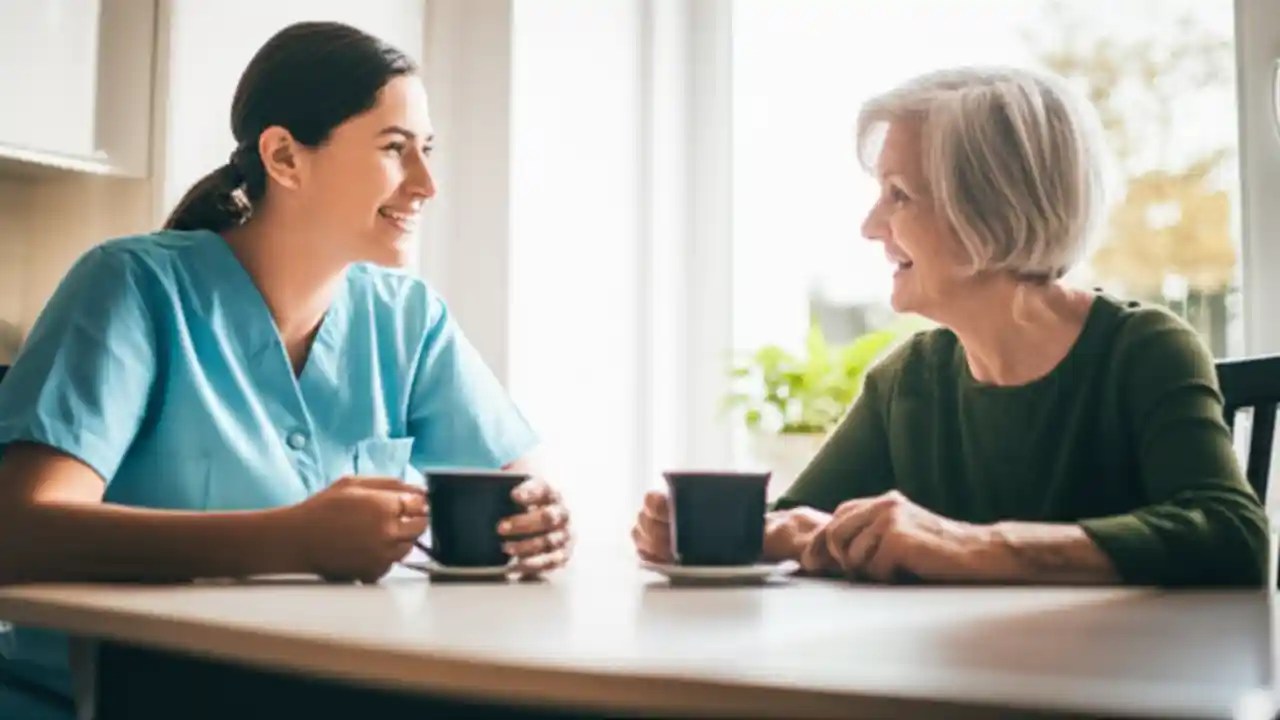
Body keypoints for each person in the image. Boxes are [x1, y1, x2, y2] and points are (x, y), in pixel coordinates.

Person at [0, 22, 571, 718]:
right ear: (285, 157)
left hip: (316, 691)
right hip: (100, 697)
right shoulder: (130, 288)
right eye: (395, 150)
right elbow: (19, 530)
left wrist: (542, 522)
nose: (427, 184)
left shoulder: (408, 318)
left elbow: (523, 484)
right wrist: (290, 538)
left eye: (426, 150)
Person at [633, 66, 1267, 587]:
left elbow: (1232, 534)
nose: (871, 226)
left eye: (899, 194)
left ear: (989, 209)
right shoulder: (909, 382)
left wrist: (971, 546)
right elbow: (803, 519)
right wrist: (719, 534)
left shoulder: (1145, 351)